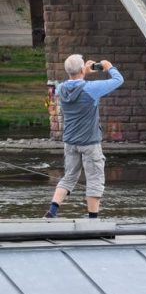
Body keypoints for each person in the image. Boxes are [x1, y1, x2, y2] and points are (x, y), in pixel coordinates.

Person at [44, 54, 124, 219]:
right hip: (89, 142)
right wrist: (109, 67)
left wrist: (83, 73)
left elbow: (75, 84)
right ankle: (93, 220)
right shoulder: (91, 88)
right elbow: (118, 80)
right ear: (81, 69)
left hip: (70, 141)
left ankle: (52, 211)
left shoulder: (61, 89)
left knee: (69, 176)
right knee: (94, 179)